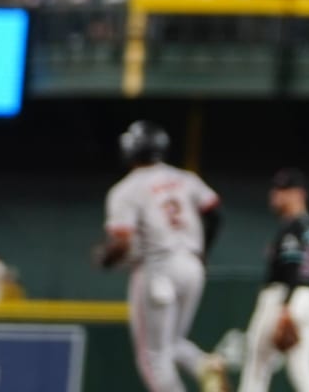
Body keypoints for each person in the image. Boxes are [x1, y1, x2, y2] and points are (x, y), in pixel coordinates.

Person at [94, 121, 229, 392]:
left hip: (156, 270)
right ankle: (205, 365)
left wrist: (104, 259)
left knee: (153, 358)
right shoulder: (185, 178)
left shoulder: (126, 189)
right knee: (173, 342)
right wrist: (203, 252)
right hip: (191, 266)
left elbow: (121, 243)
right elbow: (214, 213)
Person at [238, 168, 309, 392]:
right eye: (276, 189)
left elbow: (297, 270)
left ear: (299, 193)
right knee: (302, 368)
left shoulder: (294, 227)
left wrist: (287, 307)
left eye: (283, 190)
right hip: (307, 300)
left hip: (284, 296)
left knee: (257, 365)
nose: (276, 195)